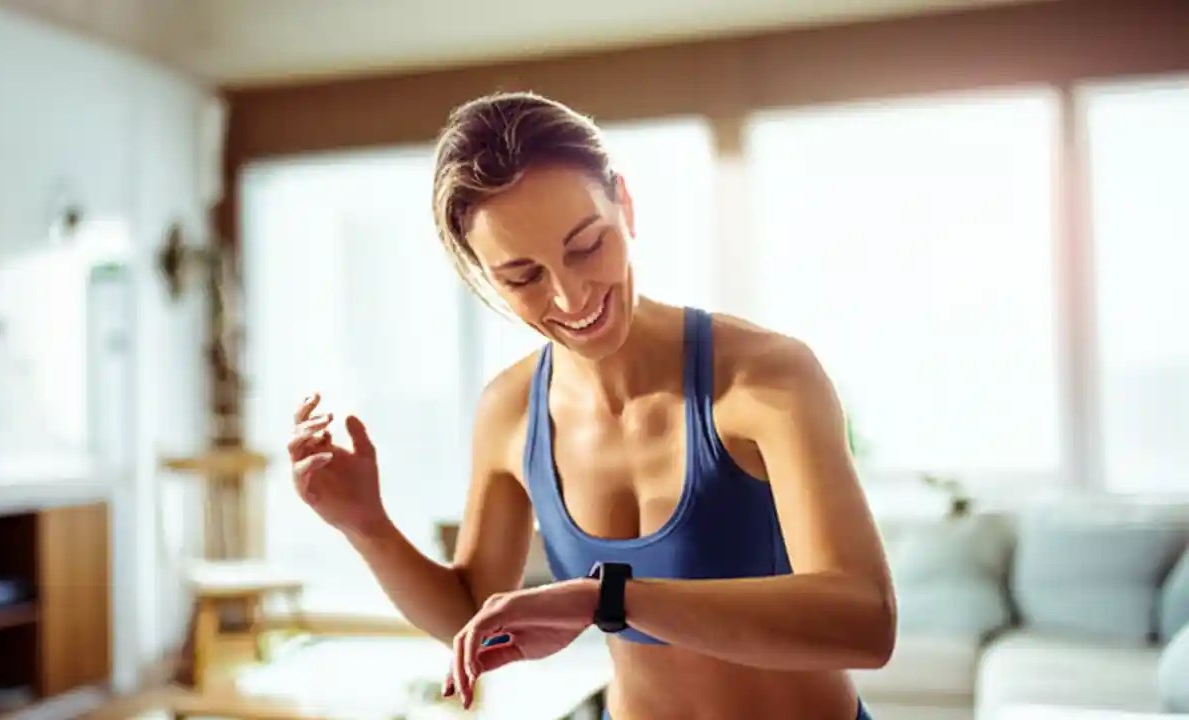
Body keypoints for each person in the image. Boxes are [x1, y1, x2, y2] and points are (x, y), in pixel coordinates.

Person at [289, 91, 896, 720]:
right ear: (485, 274)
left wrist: (605, 600)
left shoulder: (765, 377)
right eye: (522, 276)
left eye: (586, 246)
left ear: (624, 205)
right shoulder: (511, 410)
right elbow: (476, 620)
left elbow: (866, 623)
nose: (571, 294)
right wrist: (367, 526)